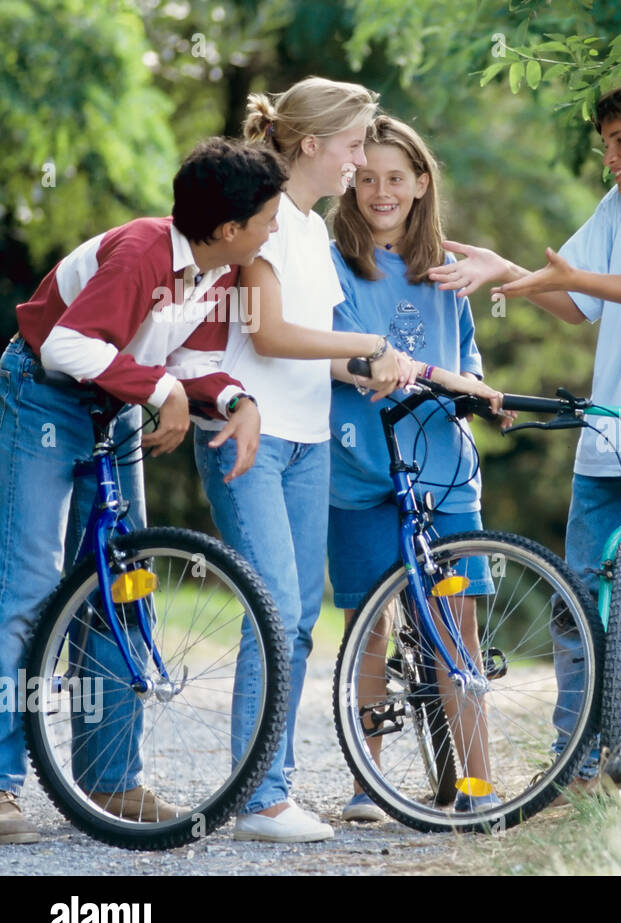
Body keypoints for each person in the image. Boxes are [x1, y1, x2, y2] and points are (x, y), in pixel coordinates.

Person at [428, 77, 621, 765]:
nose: (611, 156)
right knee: (577, 609)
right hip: (609, 435)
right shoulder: (619, 204)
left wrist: (558, 279)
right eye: (605, 143)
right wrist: (510, 271)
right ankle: (576, 761)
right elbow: (575, 300)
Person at [0, 137, 281, 844]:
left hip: (111, 405)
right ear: (226, 228)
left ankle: (109, 779)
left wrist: (236, 399)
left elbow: (196, 364)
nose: (273, 229)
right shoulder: (144, 252)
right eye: (267, 218)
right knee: (30, 588)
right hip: (44, 396)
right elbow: (66, 345)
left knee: (122, 583)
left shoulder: (221, 272)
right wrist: (157, 389)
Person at [191, 77, 425, 843]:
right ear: (313, 145)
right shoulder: (267, 221)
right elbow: (267, 335)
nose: (362, 162)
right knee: (276, 610)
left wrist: (373, 367)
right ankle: (260, 798)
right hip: (252, 437)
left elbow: (315, 356)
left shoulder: (317, 233)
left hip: (310, 439)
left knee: (295, 622)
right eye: (355, 146)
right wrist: (364, 343)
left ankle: (268, 785)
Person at [326, 115, 504, 821]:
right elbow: (341, 357)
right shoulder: (333, 265)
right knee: (367, 624)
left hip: (443, 472)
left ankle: (480, 787)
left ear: (422, 183)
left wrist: (483, 395)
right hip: (362, 466)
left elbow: (468, 358)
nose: (380, 191)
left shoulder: (448, 273)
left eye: (395, 177)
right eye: (365, 177)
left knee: (456, 629)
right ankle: (369, 781)